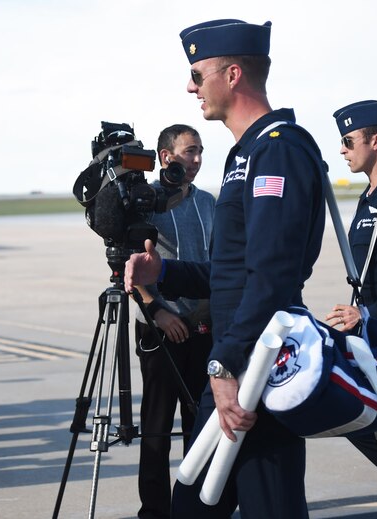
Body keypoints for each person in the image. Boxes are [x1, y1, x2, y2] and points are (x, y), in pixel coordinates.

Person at [124, 19, 325, 517]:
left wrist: (224, 363)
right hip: (240, 365)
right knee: (194, 505)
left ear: (232, 75)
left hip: (256, 368)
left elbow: (272, 276)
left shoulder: (277, 149)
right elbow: (232, 272)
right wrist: (162, 275)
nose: (190, 86)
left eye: (197, 73)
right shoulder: (247, 152)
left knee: (267, 505)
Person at [133, 125, 214, 519]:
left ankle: (194, 507)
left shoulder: (211, 203)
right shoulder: (145, 202)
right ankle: (154, 512)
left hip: (204, 331)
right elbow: (128, 269)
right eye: (189, 151)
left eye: (200, 151)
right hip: (160, 331)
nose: (196, 159)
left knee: (200, 428)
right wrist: (159, 311)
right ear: (167, 157)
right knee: (157, 428)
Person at [324, 100, 377, 470]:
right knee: (343, 411)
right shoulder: (367, 197)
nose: (342, 150)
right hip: (371, 340)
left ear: (376, 140)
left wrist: (366, 312)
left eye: (348, 140)